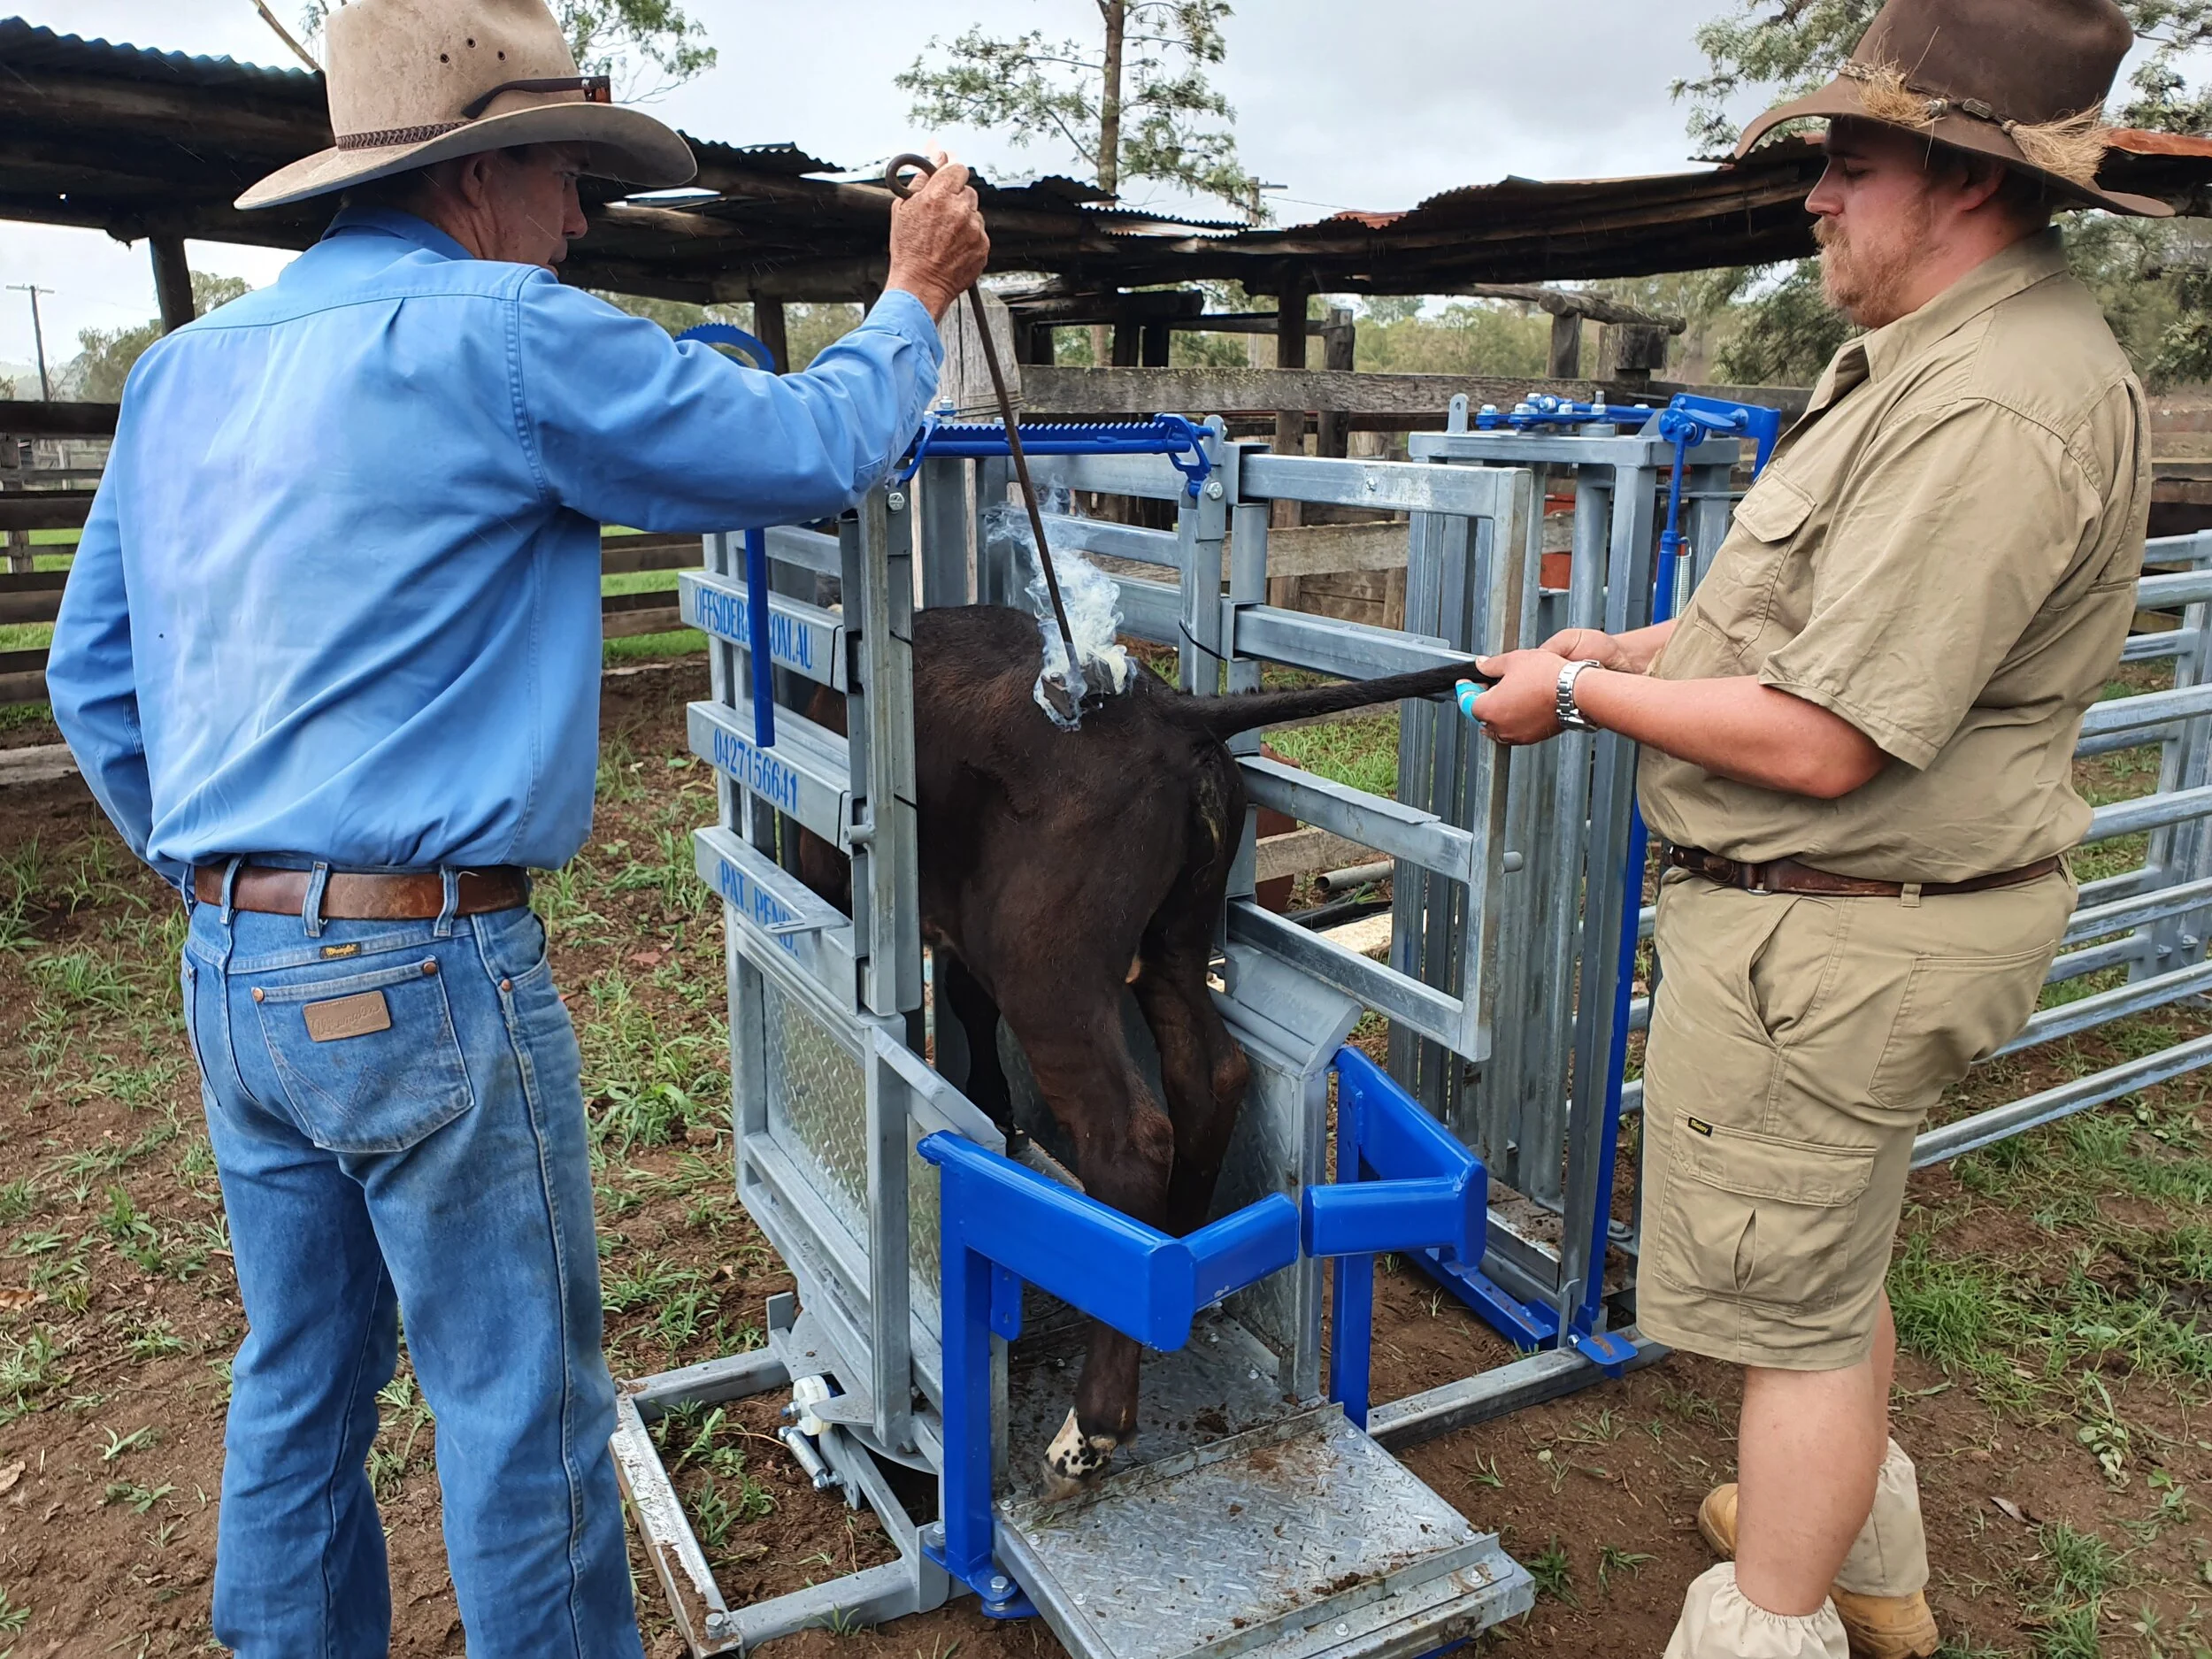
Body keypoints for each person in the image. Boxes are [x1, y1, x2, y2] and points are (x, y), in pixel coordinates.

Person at [43, 0, 987, 1652]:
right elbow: (817, 442)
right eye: (566, 173)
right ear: (483, 170)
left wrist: (236, 878)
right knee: (518, 1412)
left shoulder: (182, 373)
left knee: (293, 1389)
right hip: (424, 964)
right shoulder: (507, 339)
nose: (576, 216)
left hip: (234, 968)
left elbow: (91, 678)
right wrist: (910, 299)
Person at [1455, 2, 2159, 1655]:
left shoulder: (1998, 405)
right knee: (1828, 1273)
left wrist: (1571, 701)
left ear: (1969, 180)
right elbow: (1810, 630)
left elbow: (1827, 737)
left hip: (1838, 925)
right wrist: (1633, 651)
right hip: (1851, 920)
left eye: (1849, 162)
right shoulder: (1942, 360)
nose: (1817, 198)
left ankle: (1774, 1616)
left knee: (1799, 1326)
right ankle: (1866, 1551)